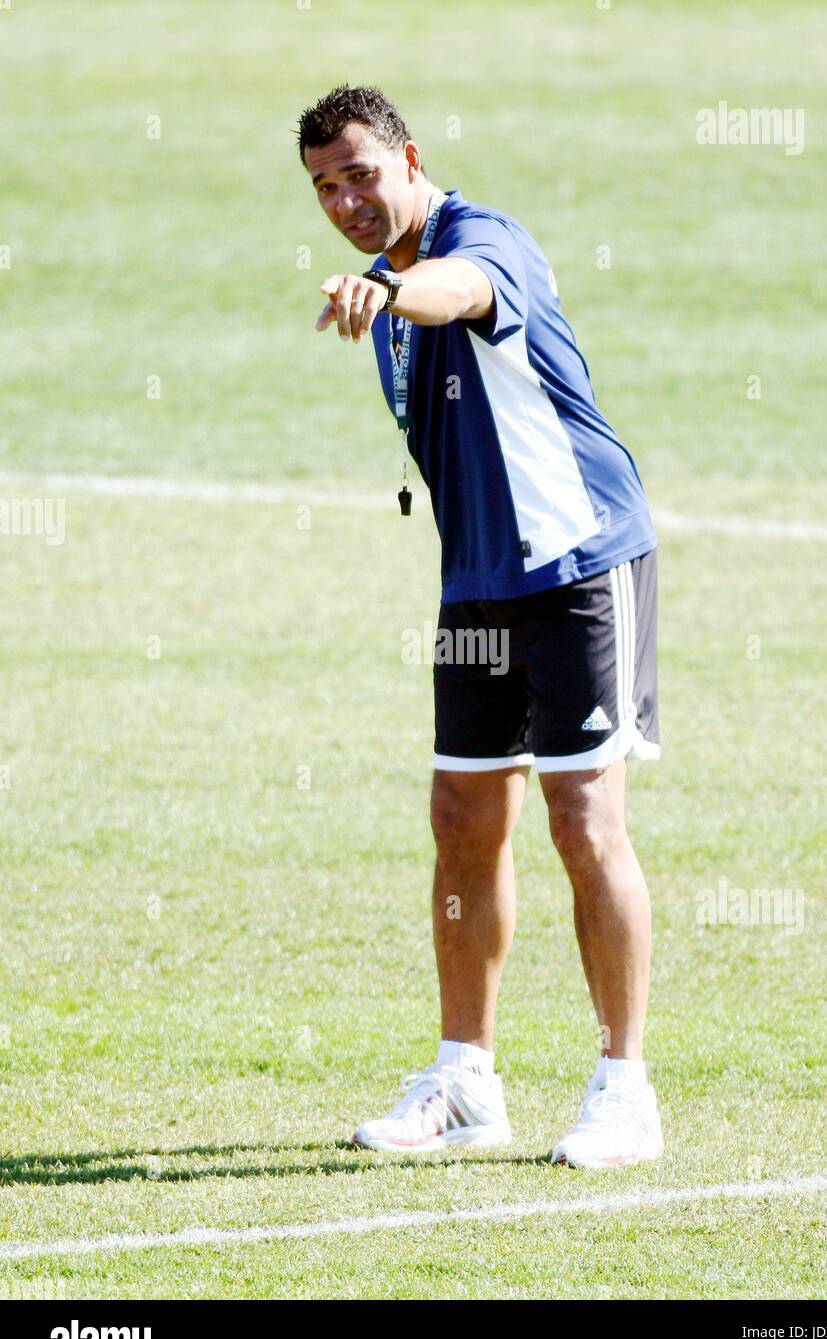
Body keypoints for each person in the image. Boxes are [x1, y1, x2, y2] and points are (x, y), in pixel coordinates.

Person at [298, 84, 664, 1168]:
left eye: (360, 173)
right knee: (461, 815)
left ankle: (624, 1091)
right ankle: (466, 1081)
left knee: (582, 819)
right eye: (323, 187)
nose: (345, 201)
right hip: (478, 586)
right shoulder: (378, 286)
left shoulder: (476, 243)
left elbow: (464, 291)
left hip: (578, 564)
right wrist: (384, 292)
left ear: (408, 157)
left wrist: (398, 293)